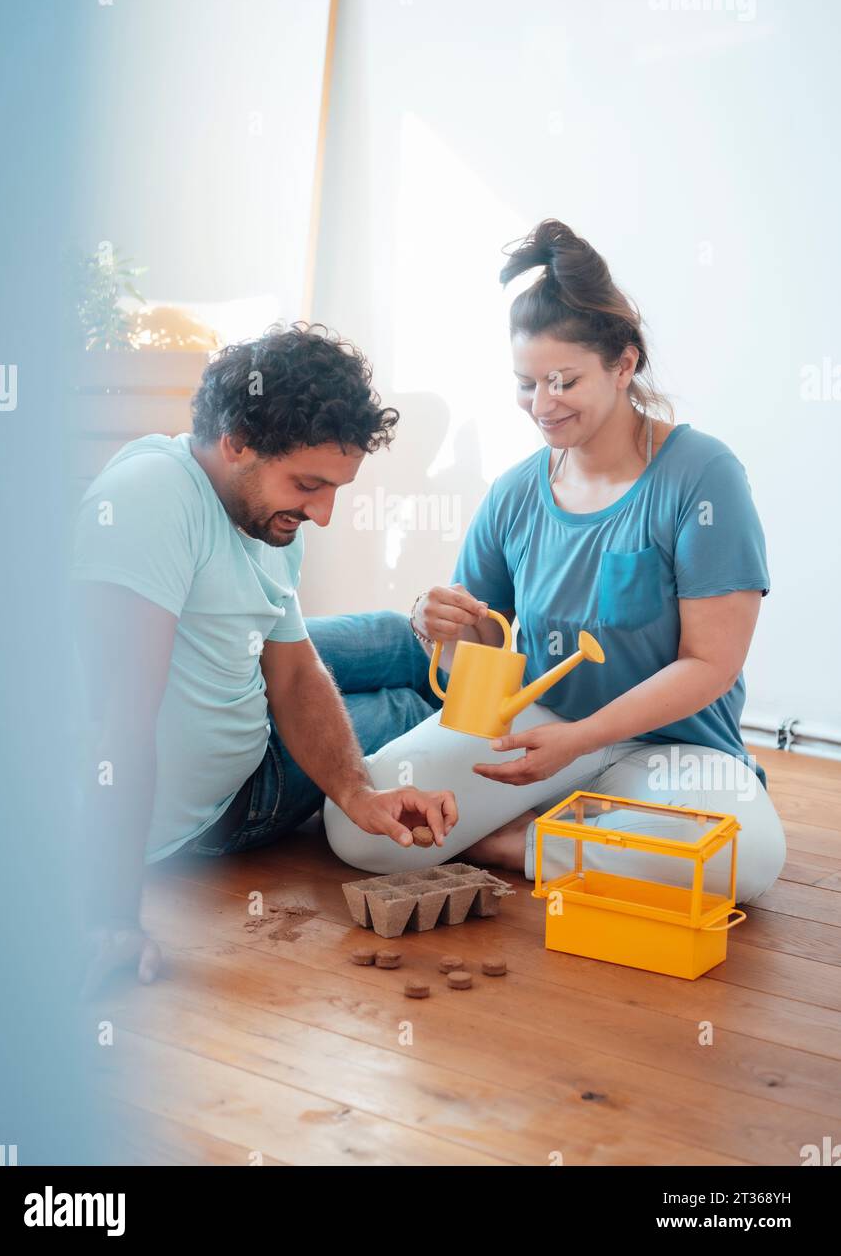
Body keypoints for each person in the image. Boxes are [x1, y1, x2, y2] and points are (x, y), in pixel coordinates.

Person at [323, 220, 787, 903]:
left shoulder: (701, 475)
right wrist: (441, 628)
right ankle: (586, 834)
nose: (541, 405)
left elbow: (709, 664)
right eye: (524, 384)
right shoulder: (515, 492)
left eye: (563, 381)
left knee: (747, 859)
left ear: (623, 365)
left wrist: (579, 742)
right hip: (530, 735)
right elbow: (482, 658)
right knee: (355, 828)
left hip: (673, 748)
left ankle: (516, 843)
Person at [72, 324, 456, 993]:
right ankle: (494, 712)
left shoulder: (263, 517)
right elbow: (119, 726)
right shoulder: (148, 500)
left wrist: (357, 791)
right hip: (238, 798)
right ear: (237, 441)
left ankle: (477, 679)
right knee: (409, 701)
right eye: (309, 484)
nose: (325, 514)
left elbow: (295, 670)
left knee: (400, 638)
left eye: (335, 487)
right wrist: (106, 916)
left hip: (247, 682)